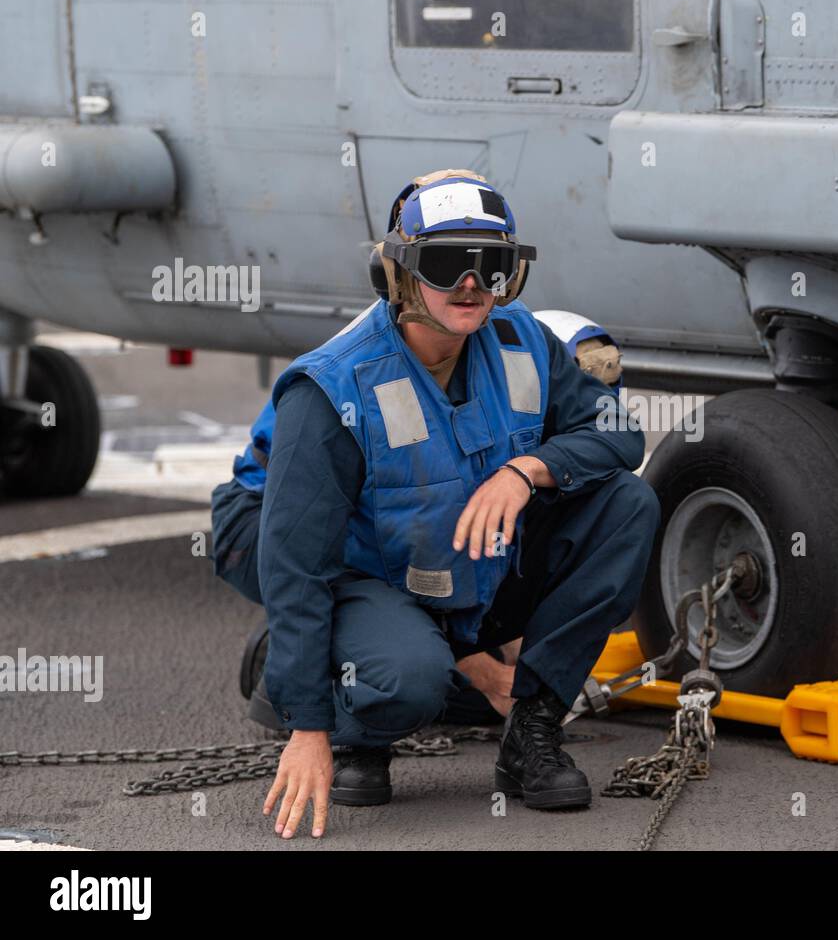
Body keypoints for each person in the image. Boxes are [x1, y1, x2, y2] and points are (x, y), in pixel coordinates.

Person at [209, 169, 657, 838]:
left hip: (422, 530)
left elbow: (619, 434)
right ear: (399, 273)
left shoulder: (522, 341)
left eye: (491, 264)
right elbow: (299, 560)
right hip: (295, 536)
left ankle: (530, 730)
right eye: (448, 264)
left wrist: (526, 471)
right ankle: (331, 697)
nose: (472, 284)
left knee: (627, 504)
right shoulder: (334, 387)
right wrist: (310, 728)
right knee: (408, 680)